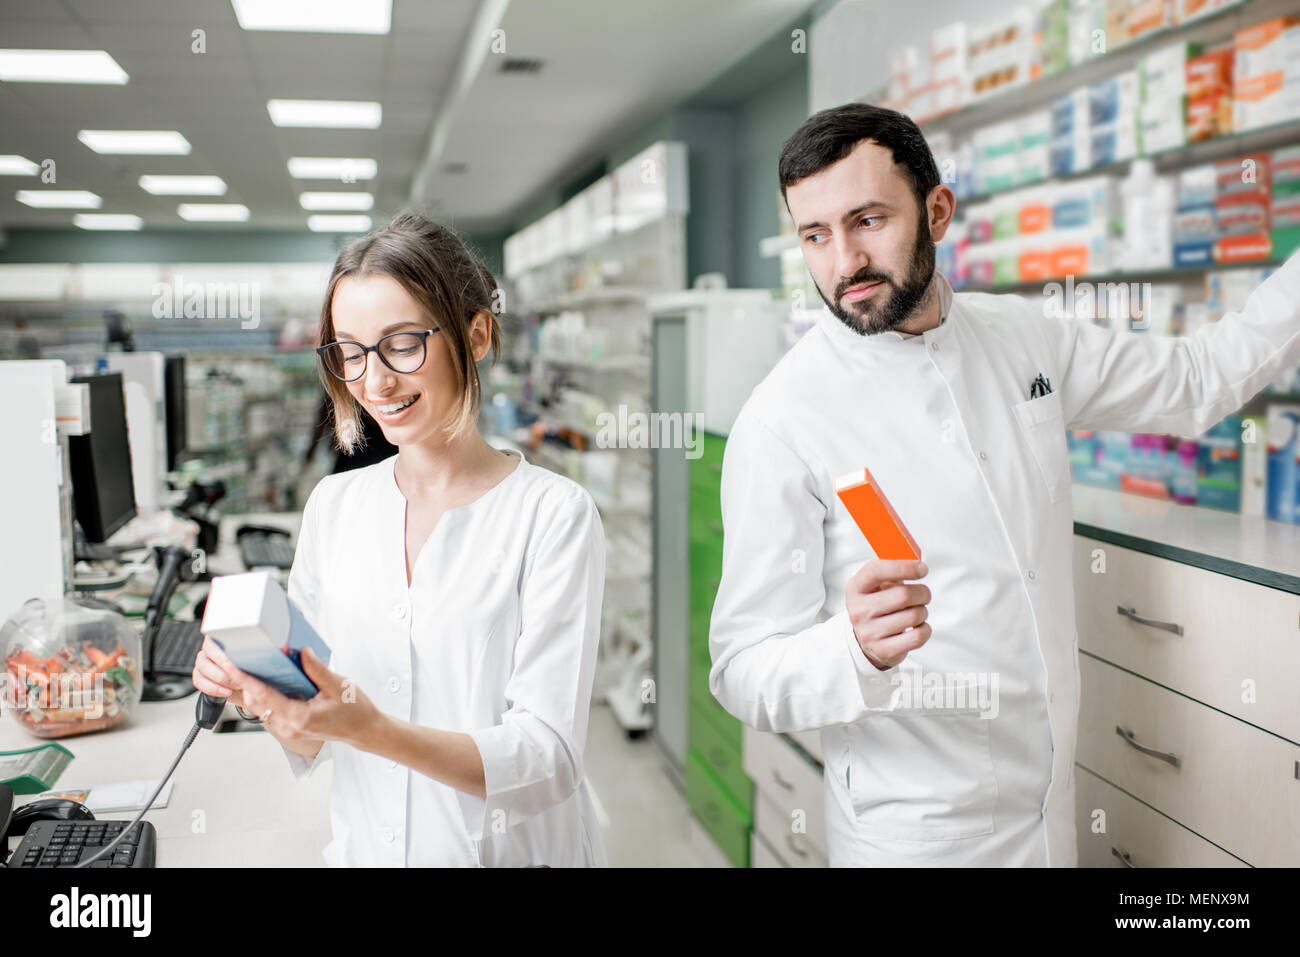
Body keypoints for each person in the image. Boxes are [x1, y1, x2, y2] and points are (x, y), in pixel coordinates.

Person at [708, 102, 1300, 867]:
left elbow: (1196, 382)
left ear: (938, 210)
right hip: (917, 836)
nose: (843, 262)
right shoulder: (783, 420)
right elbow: (742, 669)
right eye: (815, 235)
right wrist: (848, 649)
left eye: (867, 220)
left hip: (1052, 807)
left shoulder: (1026, 337)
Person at [192, 213, 608, 867]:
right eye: (350, 351)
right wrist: (259, 691)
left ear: (477, 334)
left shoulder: (553, 515)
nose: (375, 381)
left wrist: (374, 729)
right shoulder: (335, 506)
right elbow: (311, 739)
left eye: (403, 343)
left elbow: (548, 757)